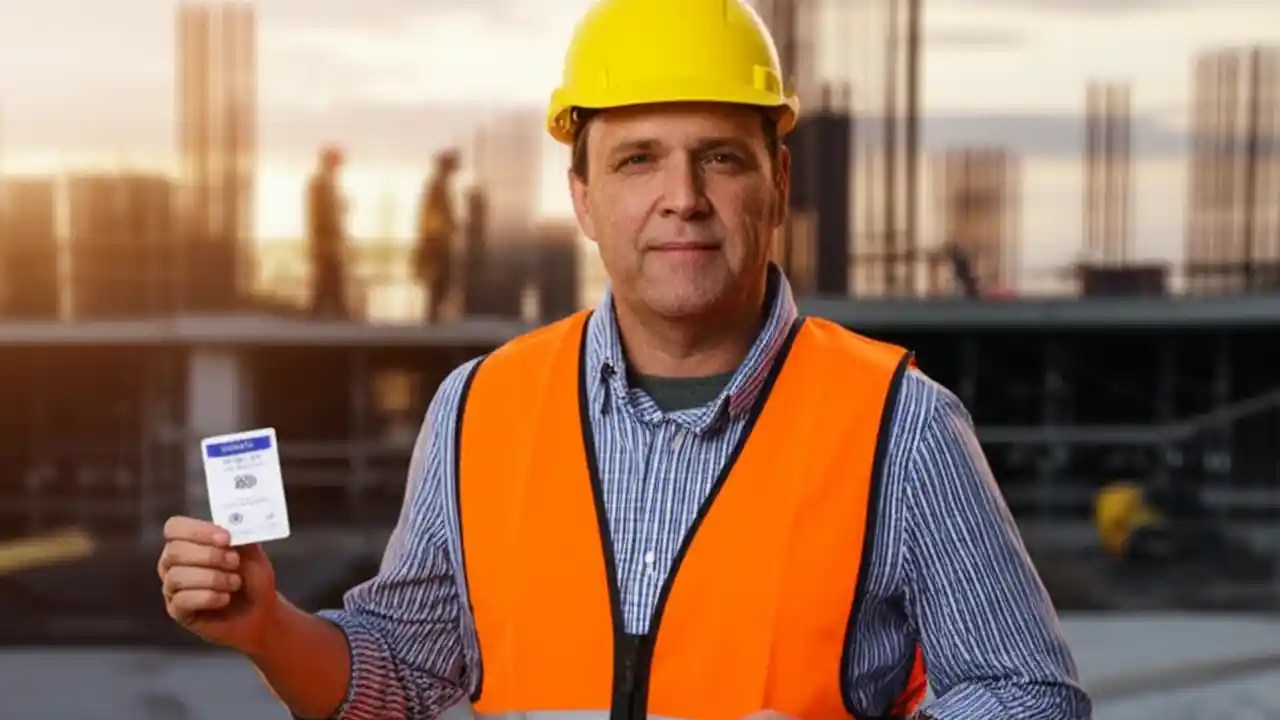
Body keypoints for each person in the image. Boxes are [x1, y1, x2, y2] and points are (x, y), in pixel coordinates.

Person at [156, 1, 1091, 718]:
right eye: (638, 159)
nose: (681, 197)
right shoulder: (479, 409)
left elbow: (1031, 695)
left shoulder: (903, 425)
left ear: (778, 181)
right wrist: (271, 630)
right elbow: (404, 672)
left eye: (720, 158)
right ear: (584, 197)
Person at [415, 149, 461, 322]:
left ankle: (435, 314)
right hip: (436, 240)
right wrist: (448, 227)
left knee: (441, 279)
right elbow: (435, 215)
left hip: (437, 239)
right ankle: (433, 315)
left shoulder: (439, 186)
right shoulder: (437, 187)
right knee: (439, 278)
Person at [306, 145, 349, 318]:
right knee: (328, 278)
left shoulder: (326, 184)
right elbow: (321, 216)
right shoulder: (321, 185)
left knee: (328, 280)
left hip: (328, 242)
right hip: (325, 242)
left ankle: (331, 311)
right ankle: (334, 312)